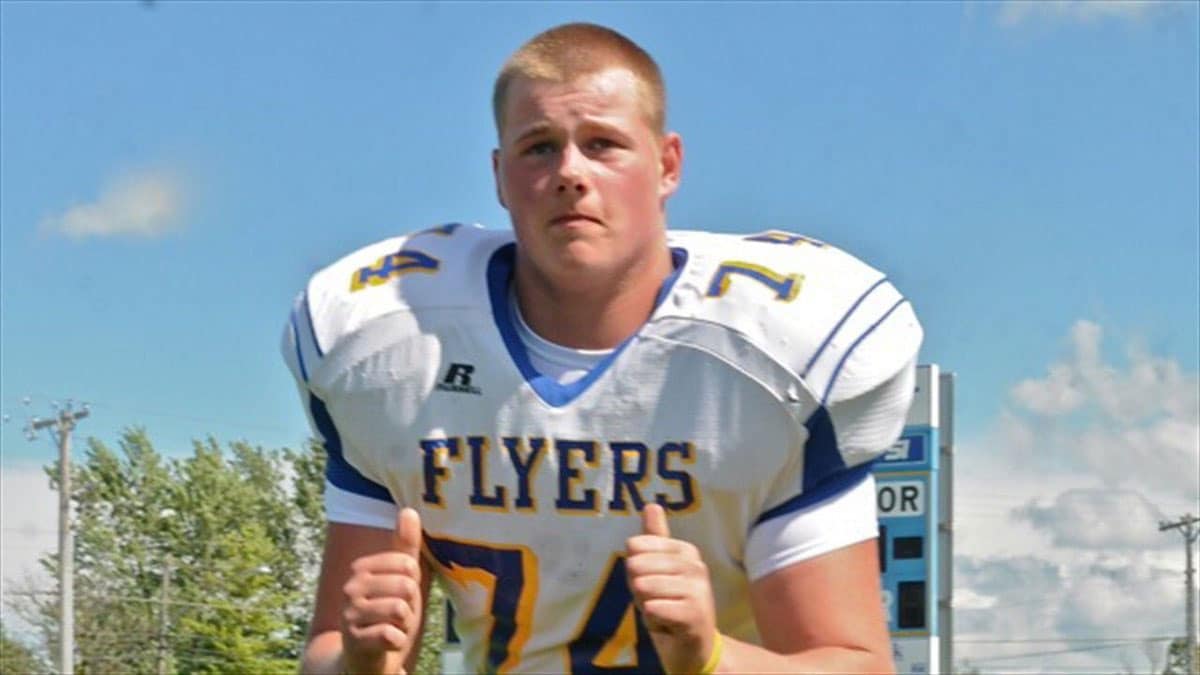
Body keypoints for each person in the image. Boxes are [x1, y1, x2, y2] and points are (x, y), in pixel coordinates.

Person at [283, 22, 920, 675]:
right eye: (539, 147)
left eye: (602, 144)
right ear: (499, 176)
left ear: (667, 164)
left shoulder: (776, 353)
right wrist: (357, 662)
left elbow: (855, 664)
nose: (570, 173)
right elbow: (329, 653)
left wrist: (709, 656)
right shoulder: (390, 345)